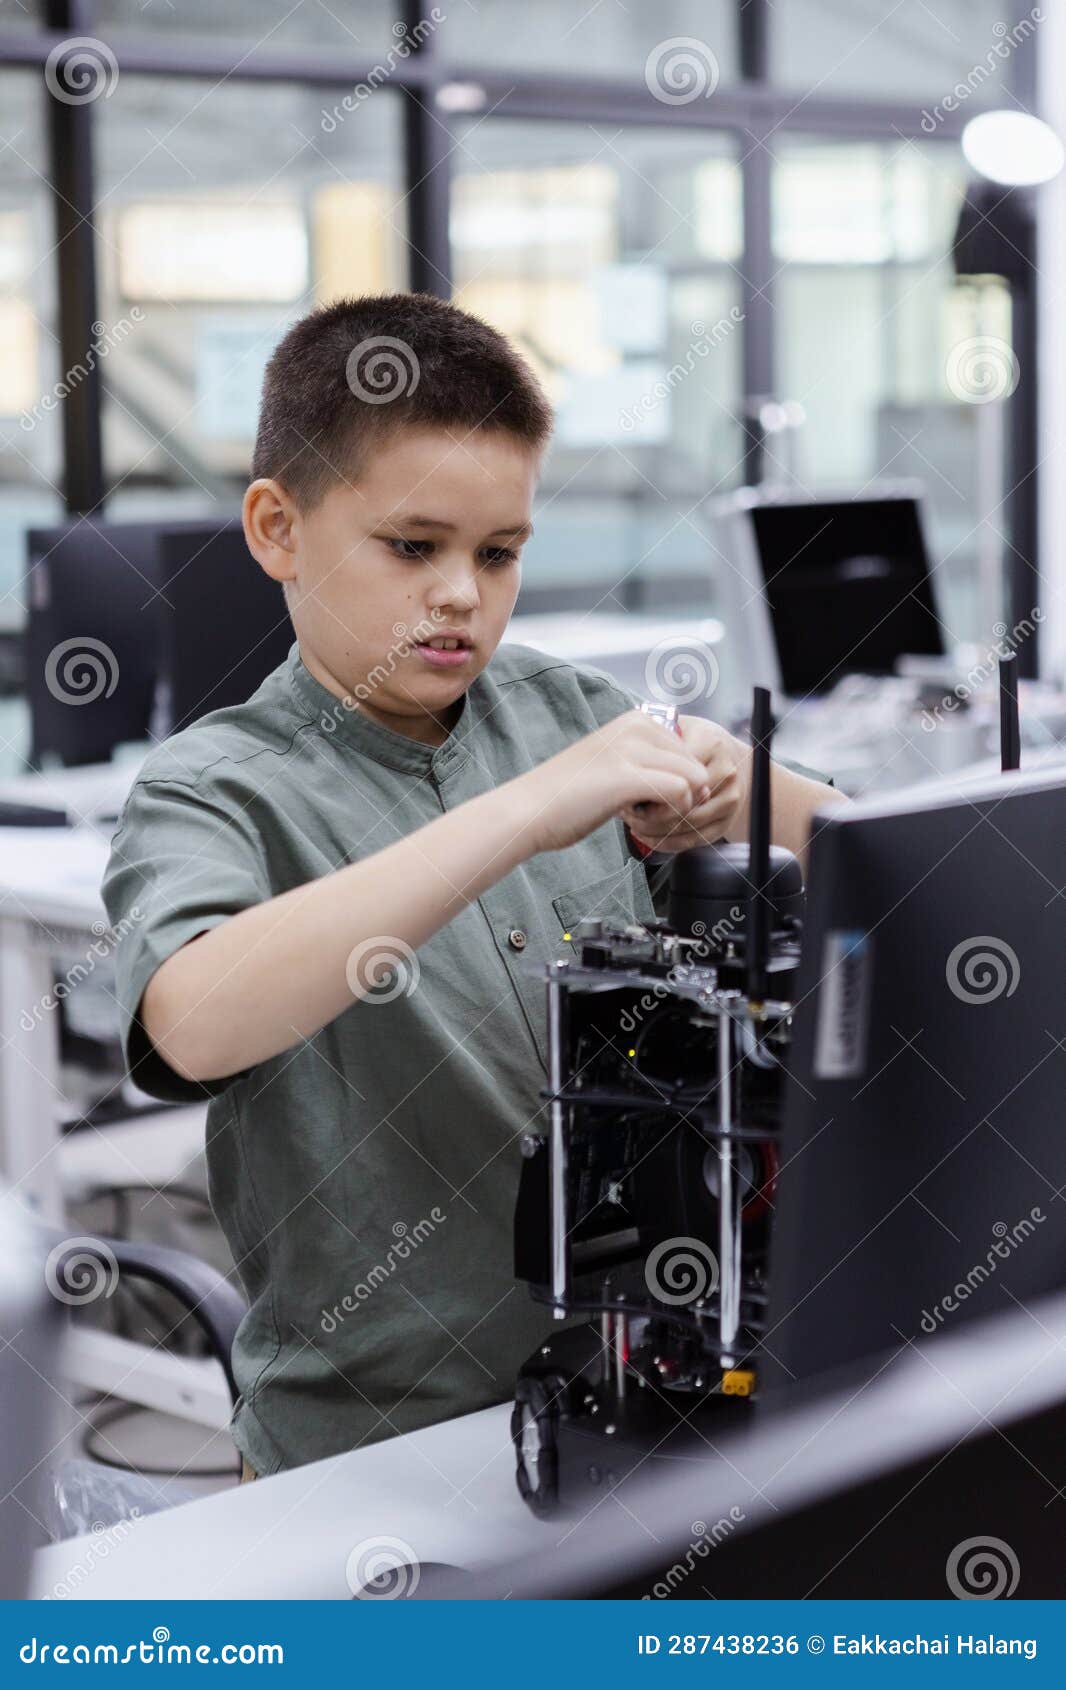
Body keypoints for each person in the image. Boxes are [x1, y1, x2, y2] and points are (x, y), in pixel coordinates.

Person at [101, 292, 845, 1479]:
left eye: (498, 555)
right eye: (413, 546)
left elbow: (886, 864)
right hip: (375, 1439)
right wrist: (526, 810)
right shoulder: (214, 789)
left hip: (646, 1390)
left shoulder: (569, 713)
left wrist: (745, 784)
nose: (461, 593)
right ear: (277, 529)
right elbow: (193, 1021)